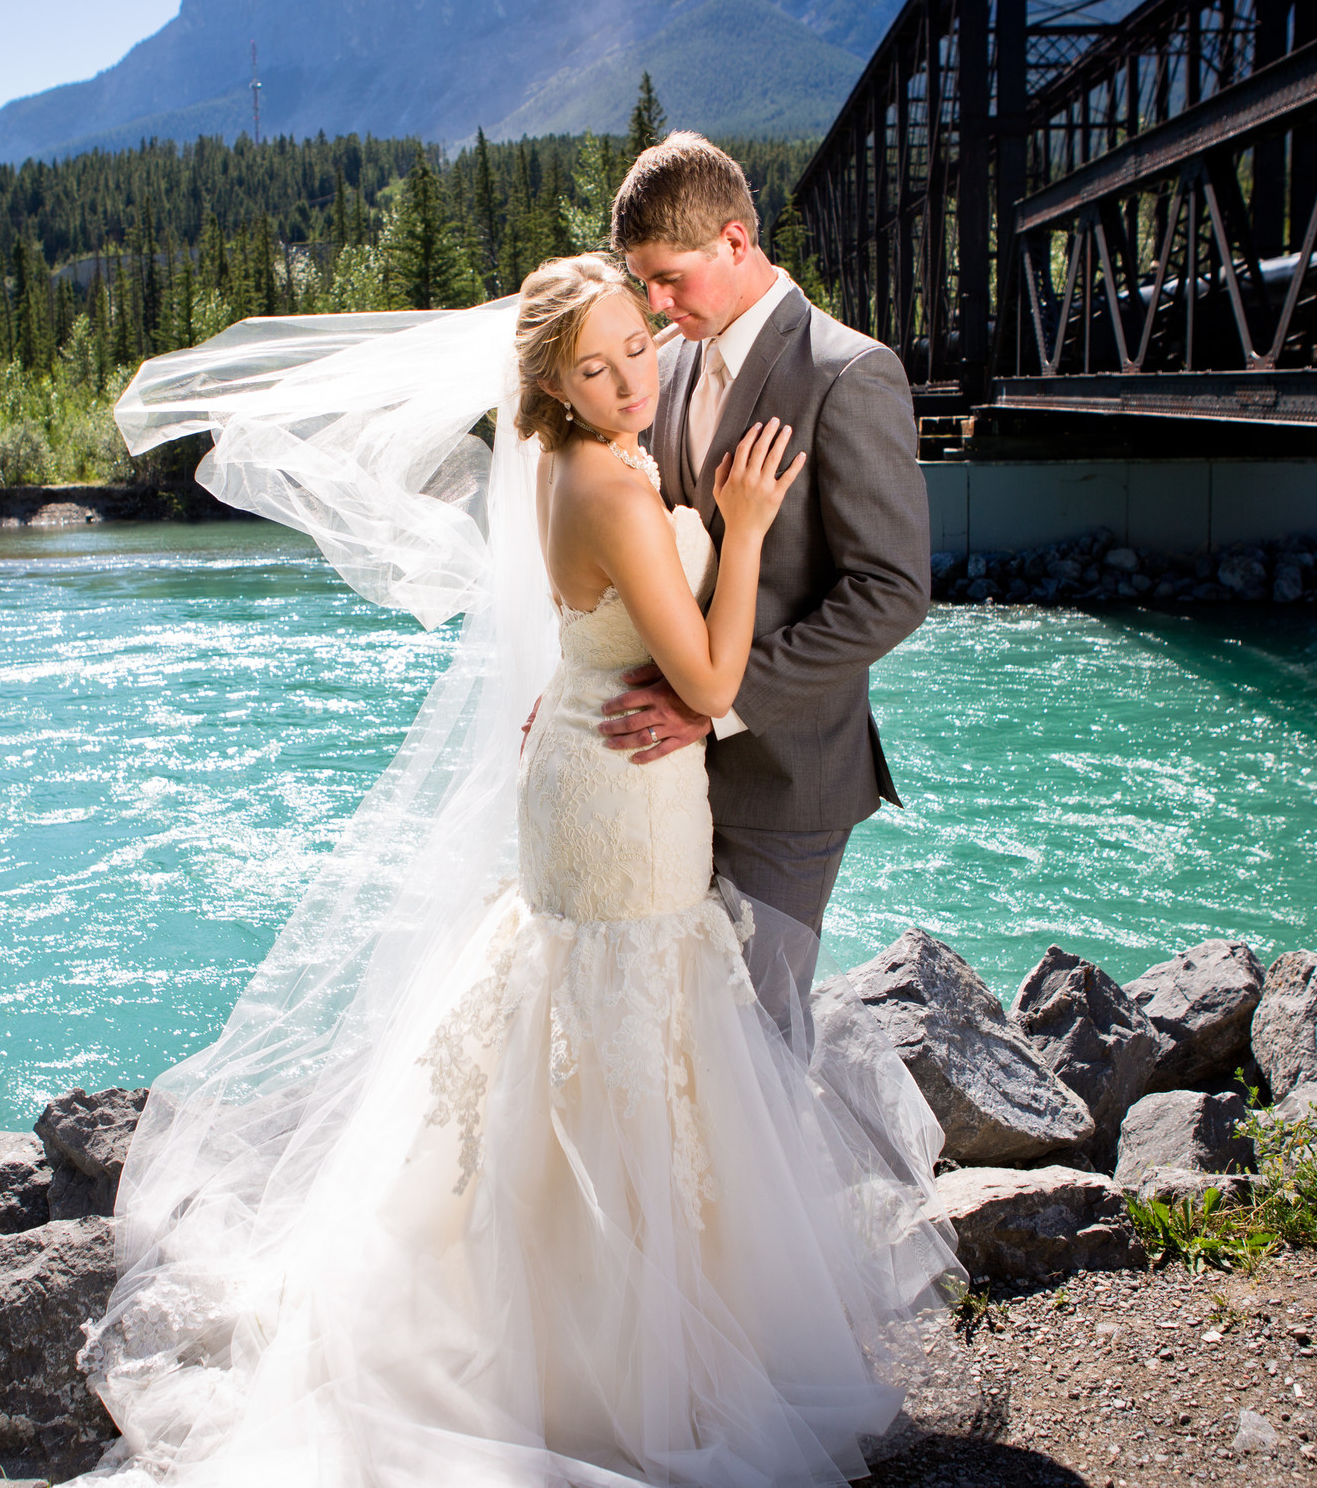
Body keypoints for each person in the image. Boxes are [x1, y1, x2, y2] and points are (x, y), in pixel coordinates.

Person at [89, 252, 962, 1488]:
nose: (631, 383)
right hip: (623, 792)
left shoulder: (565, 461)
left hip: (595, 759)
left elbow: (594, 626)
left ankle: (594, 1315)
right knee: (626, 1022)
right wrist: (749, 528)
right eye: (595, 370)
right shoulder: (610, 485)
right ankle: (609, 1357)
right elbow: (712, 682)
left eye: (635, 350)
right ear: (551, 383)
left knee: (591, 1022)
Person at [595, 133, 931, 1033]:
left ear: (736, 241)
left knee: (754, 1042)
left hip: (787, 781)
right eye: (643, 282)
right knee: (663, 1031)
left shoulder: (848, 373)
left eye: (670, 279)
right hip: (659, 777)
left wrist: (717, 704)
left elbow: (891, 590)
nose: (655, 305)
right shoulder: (664, 366)